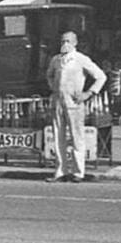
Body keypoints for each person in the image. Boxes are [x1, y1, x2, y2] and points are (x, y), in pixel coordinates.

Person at [46, 31, 106, 183]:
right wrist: (53, 88)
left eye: (68, 41)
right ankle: (60, 171)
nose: (65, 44)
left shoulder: (80, 59)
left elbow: (100, 76)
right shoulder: (56, 60)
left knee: (76, 137)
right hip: (59, 102)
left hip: (75, 104)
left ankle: (78, 172)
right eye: (62, 41)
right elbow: (49, 75)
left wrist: (88, 93)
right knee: (58, 136)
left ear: (75, 43)